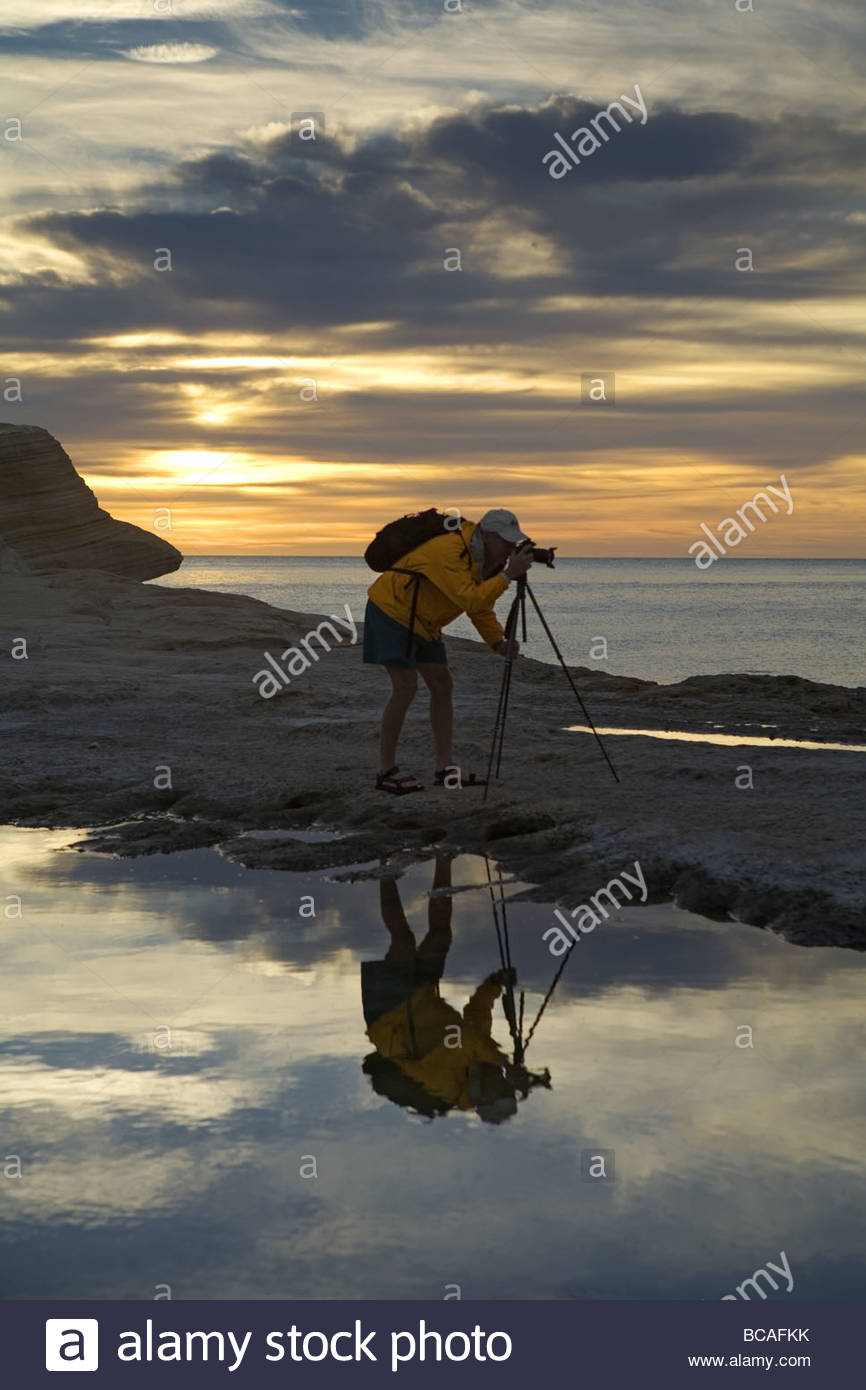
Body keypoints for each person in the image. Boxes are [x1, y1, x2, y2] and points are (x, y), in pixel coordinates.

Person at [361, 855, 551, 1122]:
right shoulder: (483, 1064)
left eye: (502, 1089)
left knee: (403, 941)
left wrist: (506, 1063)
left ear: (484, 1097)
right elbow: (476, 1014)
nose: (503, 1081)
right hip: (422, 1005)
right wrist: (495, 983)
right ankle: (444, 858)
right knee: (440, 936)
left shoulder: (446, 1087)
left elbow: (460, 1035)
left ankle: (385, 860)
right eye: (508, 1086)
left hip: (391, 1019)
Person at [362, 508, 534, 794]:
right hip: (391, 611)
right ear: (488, 536)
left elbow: (480, 608)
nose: (509, 548)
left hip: (425, 621)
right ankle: (386, 771)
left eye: (512, 542)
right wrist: (508, 576)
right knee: (405, 687)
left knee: (442, 684)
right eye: (505, 541)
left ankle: (445, 767)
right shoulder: (450, 550)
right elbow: (469, 599)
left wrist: (497, 642)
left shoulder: (483, 557)